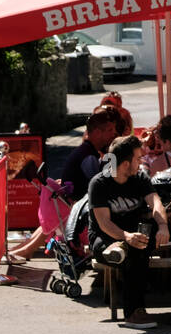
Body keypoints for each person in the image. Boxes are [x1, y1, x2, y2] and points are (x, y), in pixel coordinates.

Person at [9, 109, 118, 262]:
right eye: (110, 130)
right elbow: (99, 187)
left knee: (59, 214)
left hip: (66, 201)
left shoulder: (86, 151)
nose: (114, 133)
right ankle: (25, 250)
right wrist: (111, 156)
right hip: (75, 205)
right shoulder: (89, 156)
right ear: (98, 132)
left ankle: (24, 249)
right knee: (61, 213)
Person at [88, 134, 169, 329]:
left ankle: (135, 312)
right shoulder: (99, 184)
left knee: (139, 246)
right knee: (131, 252)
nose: (141, 162)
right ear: (125, 164)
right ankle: (134, 312)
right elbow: (104, 223)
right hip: (105, 238)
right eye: (138, 158)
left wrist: (163, 226)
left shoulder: (140, 178)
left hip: (135, 236)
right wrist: (126, 237)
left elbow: (155, 202)